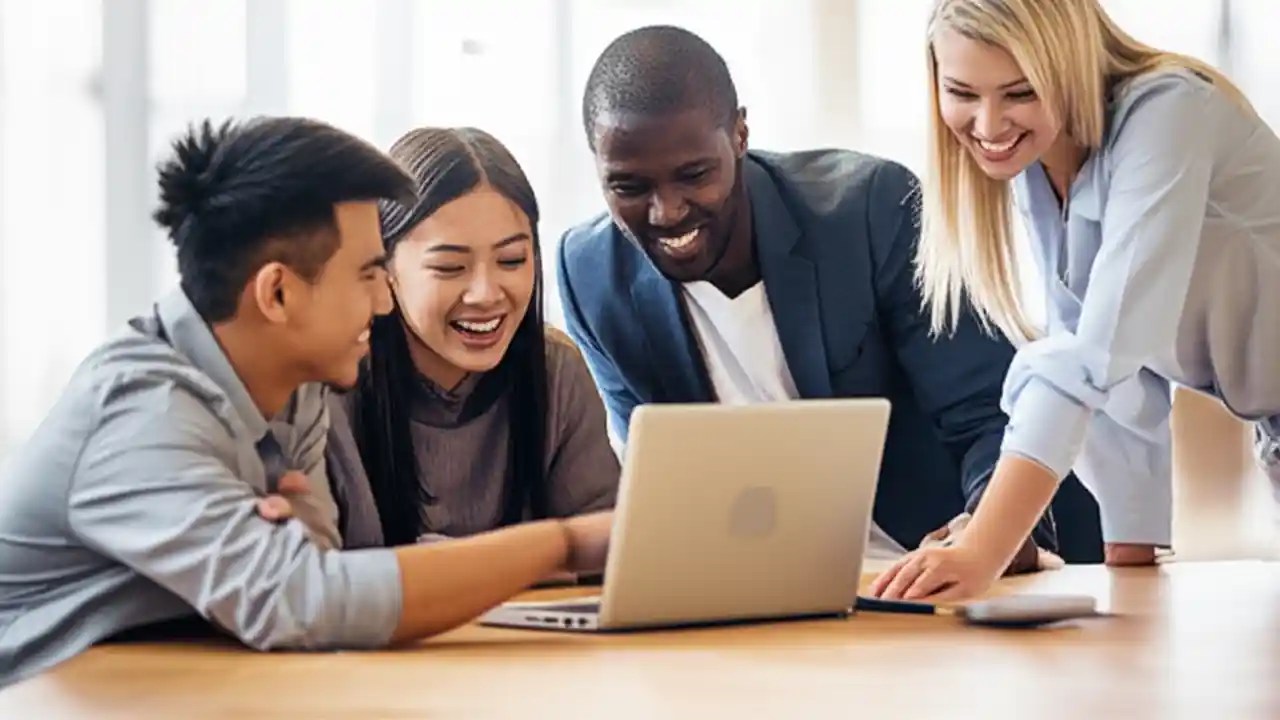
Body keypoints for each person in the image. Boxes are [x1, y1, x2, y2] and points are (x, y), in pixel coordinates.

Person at [0, 117, 611, 688]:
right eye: (368, 274)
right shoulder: (143, 414)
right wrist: (563, 543)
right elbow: (312, 601)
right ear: (278, 293)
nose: (384, 301)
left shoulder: (291, 394)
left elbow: (315, 565)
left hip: (181, 691)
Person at [556, 25, 1104, 566]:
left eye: (694, 175)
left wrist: (987, 537)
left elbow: (989, 411)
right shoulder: (590, 273)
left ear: (740, 135)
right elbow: (658, 477)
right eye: (629, 186)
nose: (666, 212)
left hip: (930, 562)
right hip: (760, 586)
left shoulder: (869, 210)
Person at [871, 0, 1280, 601]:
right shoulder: (1040, 165)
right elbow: (1113, 375)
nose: (988, 125)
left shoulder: (1167, 112)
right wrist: (1131, 561)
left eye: (1019, 93)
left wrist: (983, 547)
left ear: (1069, 67)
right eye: (961, 92)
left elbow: (1096, 356)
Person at [325, 127, 618, 551]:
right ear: (385, 266)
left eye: (511, 260)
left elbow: (610, 550)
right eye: (450, 267)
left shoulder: (557, 371)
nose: (485, 294)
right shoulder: (328, 383)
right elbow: (312, 575)